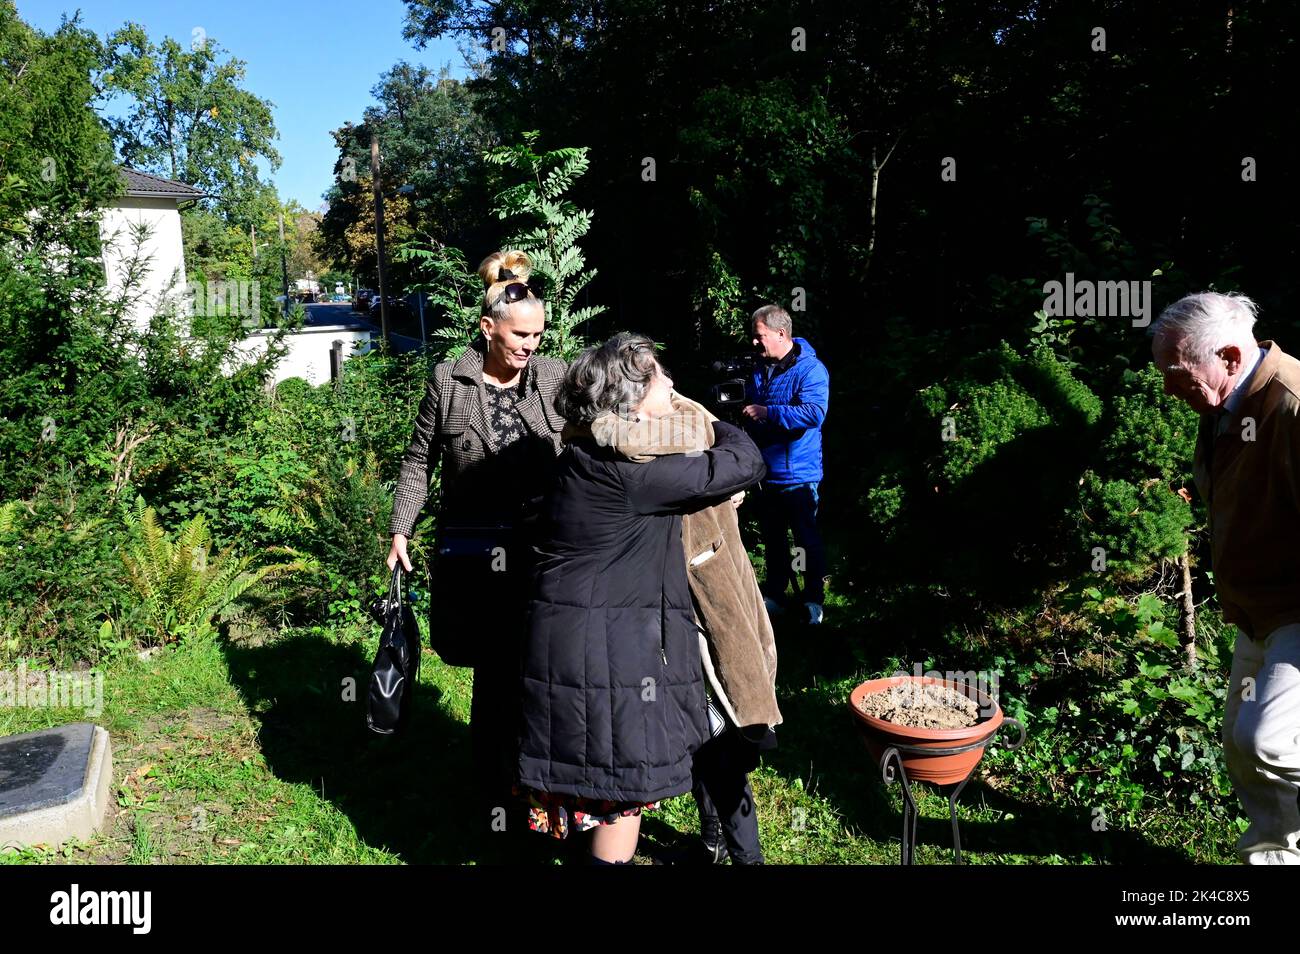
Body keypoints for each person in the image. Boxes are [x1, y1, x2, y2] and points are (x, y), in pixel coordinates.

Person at [516, 332, 767, 864]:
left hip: (568, 639)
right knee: (619, 796)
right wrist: (714, 420)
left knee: (587, 782)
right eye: (662, 379)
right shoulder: (634, 474)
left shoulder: (583, 449)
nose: (673, 385)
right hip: (605, 650)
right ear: (631, 402)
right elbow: (743, 463)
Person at [386, 249, 567, 854]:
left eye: (539, 335)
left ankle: (542, 785)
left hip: (545, 553)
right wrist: (400, 529)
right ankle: (495, 793)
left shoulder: (555, 378)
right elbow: (419, 460)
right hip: (477, 555)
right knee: (492, 677)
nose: (530, 346)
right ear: (487, 328)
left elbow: (608, 424)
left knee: (542, 672)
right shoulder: (449, 381)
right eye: (520, 335)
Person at [1150, 290, 1300, 864]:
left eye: (1177, 373)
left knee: (1267, 740)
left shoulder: (1290, 406)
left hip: (1294, 611)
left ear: (1232, 357)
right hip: (1253, 611)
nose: (1167, 388)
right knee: (1242, 748)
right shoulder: (1224, 405)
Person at [741, 304, 831, 624]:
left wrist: (768, 413)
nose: (754, 342)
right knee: (774, 540)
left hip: (798, 475)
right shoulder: (759, 369)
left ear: (781, 334)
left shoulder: (810, 370)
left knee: (806, 541)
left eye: (759, 336)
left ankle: (814, 603)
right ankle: (776, 597)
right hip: (767, 474)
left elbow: (813, 413)